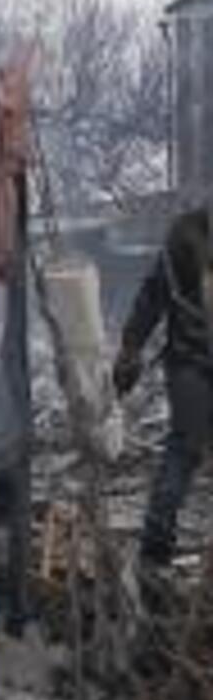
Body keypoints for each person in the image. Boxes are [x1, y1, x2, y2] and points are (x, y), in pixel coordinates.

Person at [113, 205, 213, 567]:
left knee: (182, 451)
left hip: (187, 365)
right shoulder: (186, 238)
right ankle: (155, 550)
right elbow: (152, 295)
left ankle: (155, 552)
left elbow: (151, 296)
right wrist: (129, 349)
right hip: (192, 363)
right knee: (184, 452)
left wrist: (130, 349)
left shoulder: (181, 234)